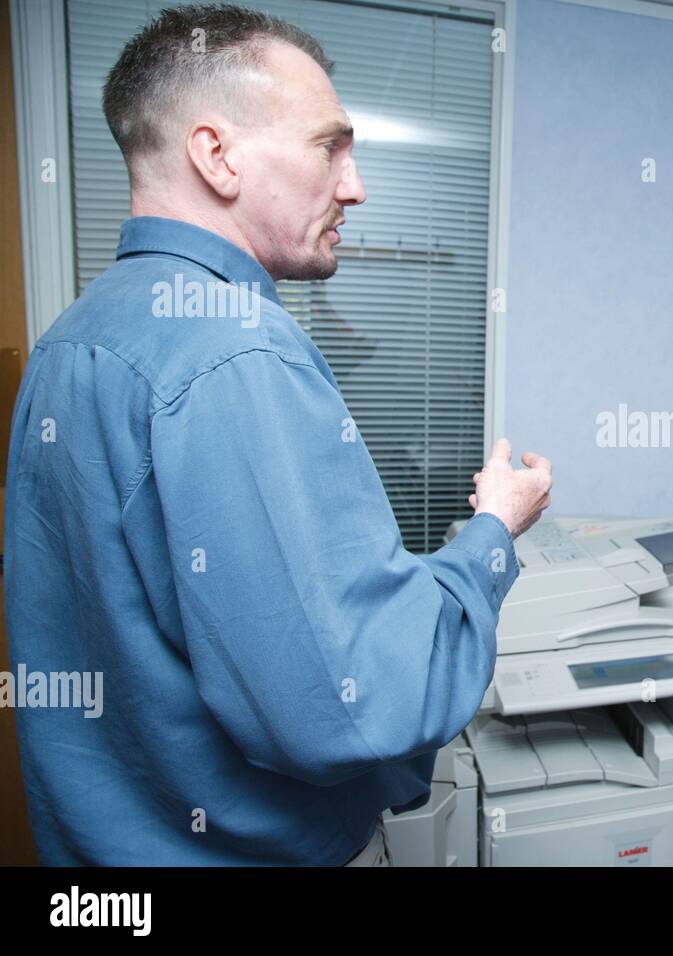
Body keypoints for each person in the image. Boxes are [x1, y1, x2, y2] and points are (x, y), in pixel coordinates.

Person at [3, 4, 551, 865]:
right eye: (329, 145)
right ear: (216, 155)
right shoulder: (234, 351)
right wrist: (494, 533)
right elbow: (352, 703)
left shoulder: (73, 338)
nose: (355, 184)